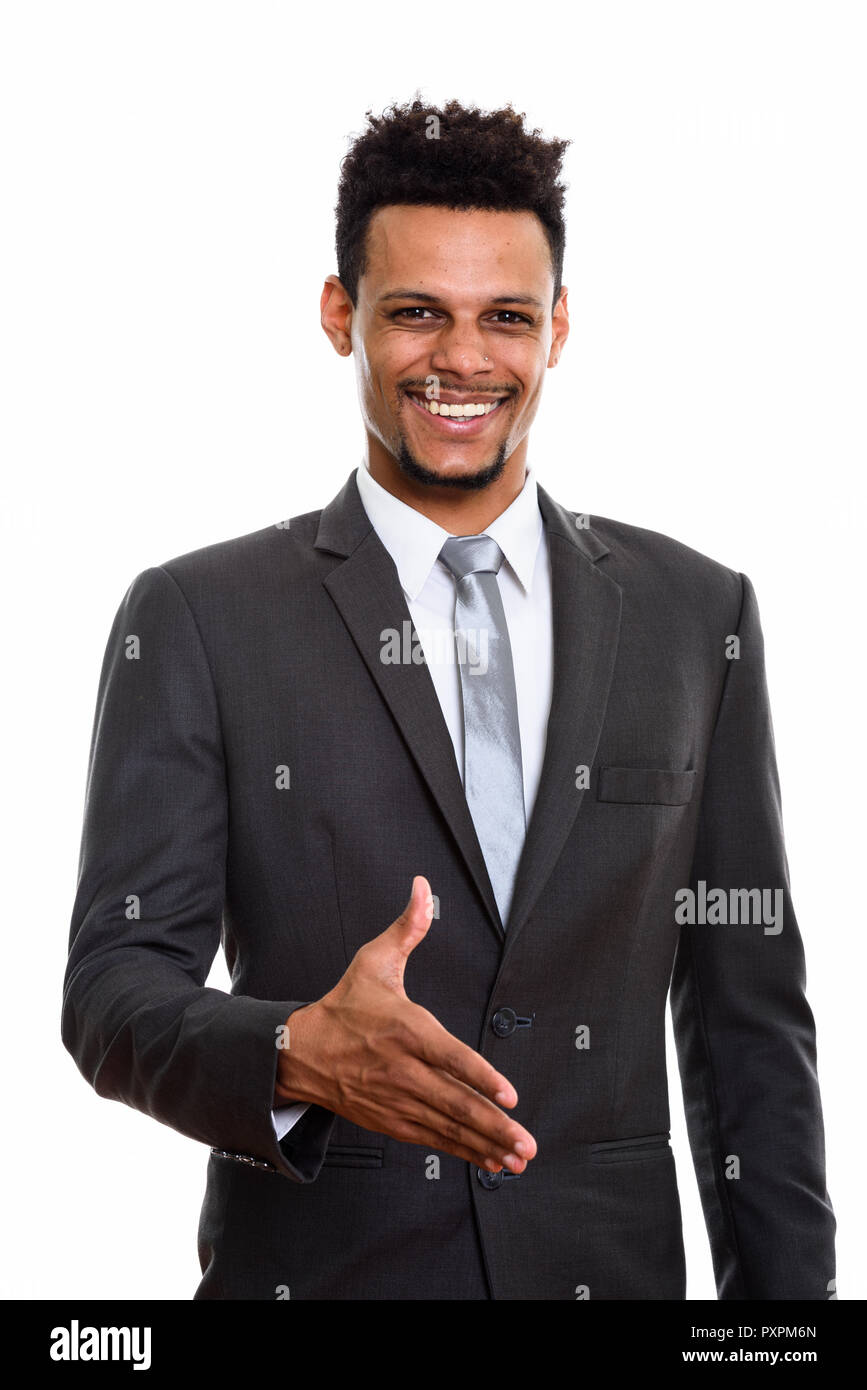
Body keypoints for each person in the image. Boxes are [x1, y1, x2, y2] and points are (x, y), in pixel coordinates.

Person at [63, 98, 835, 1300]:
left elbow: (751, 1026)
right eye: (417, 312)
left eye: (506, 318)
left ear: (560, 328)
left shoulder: (698, 616)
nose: (464, 360)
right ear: (341, 315)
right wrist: (293, 1051)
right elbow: (113, 991)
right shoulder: (201, 617)